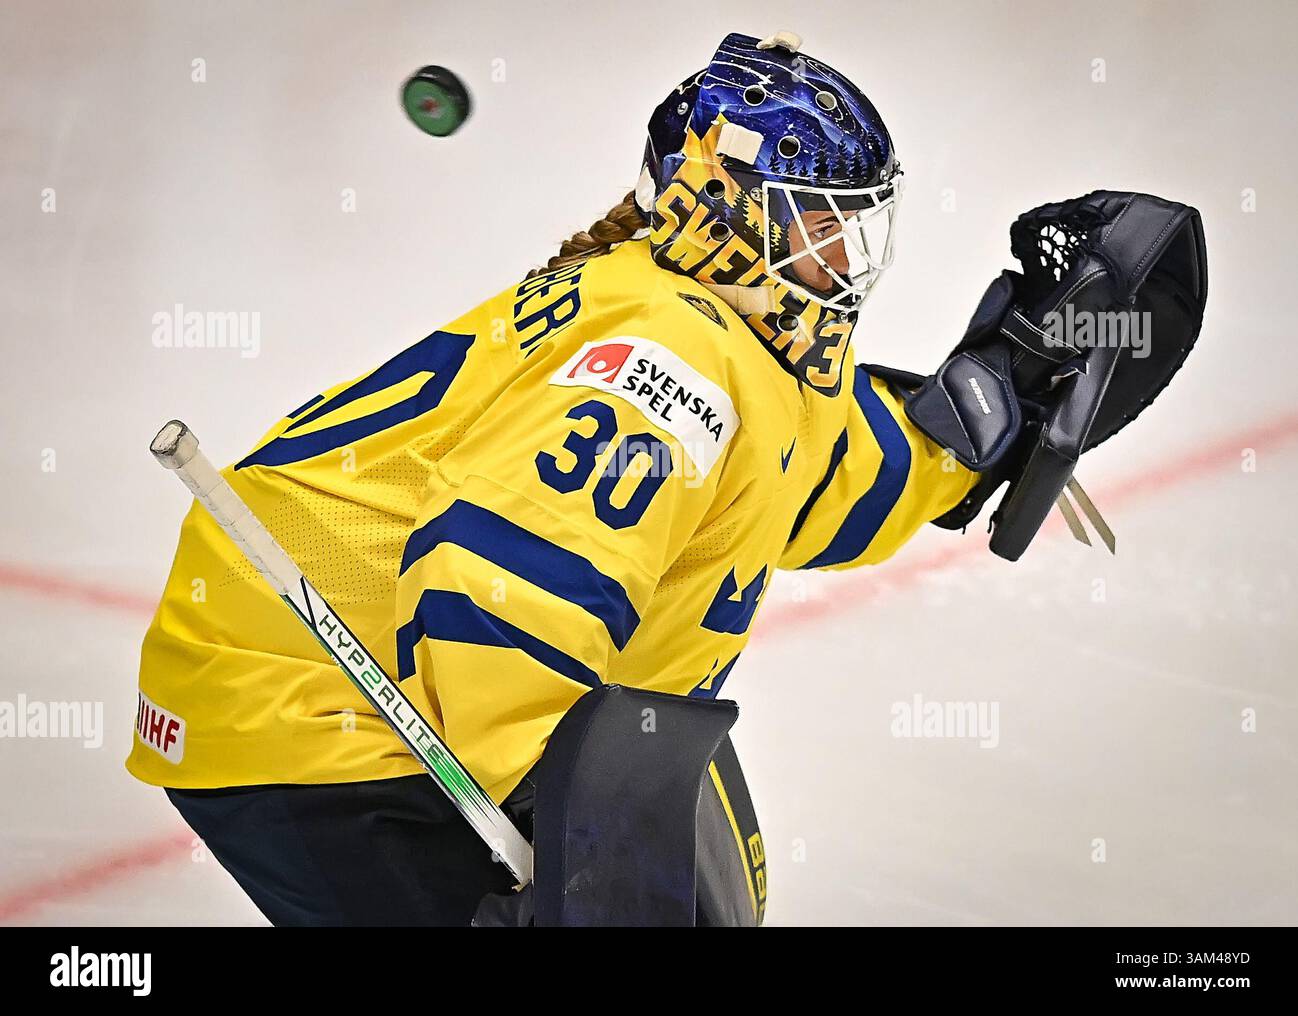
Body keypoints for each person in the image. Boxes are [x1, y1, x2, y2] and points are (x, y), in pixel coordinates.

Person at [127, 29, 981, 926]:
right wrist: (586, 880)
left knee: (655, 789)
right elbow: (503, 589)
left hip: (375, 665)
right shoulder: (671, 358)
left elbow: (808, 480)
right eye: (820, 226)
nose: (848, 260)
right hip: (308, 704)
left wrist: (982, 425)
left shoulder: (732, 339)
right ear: (726, 213)